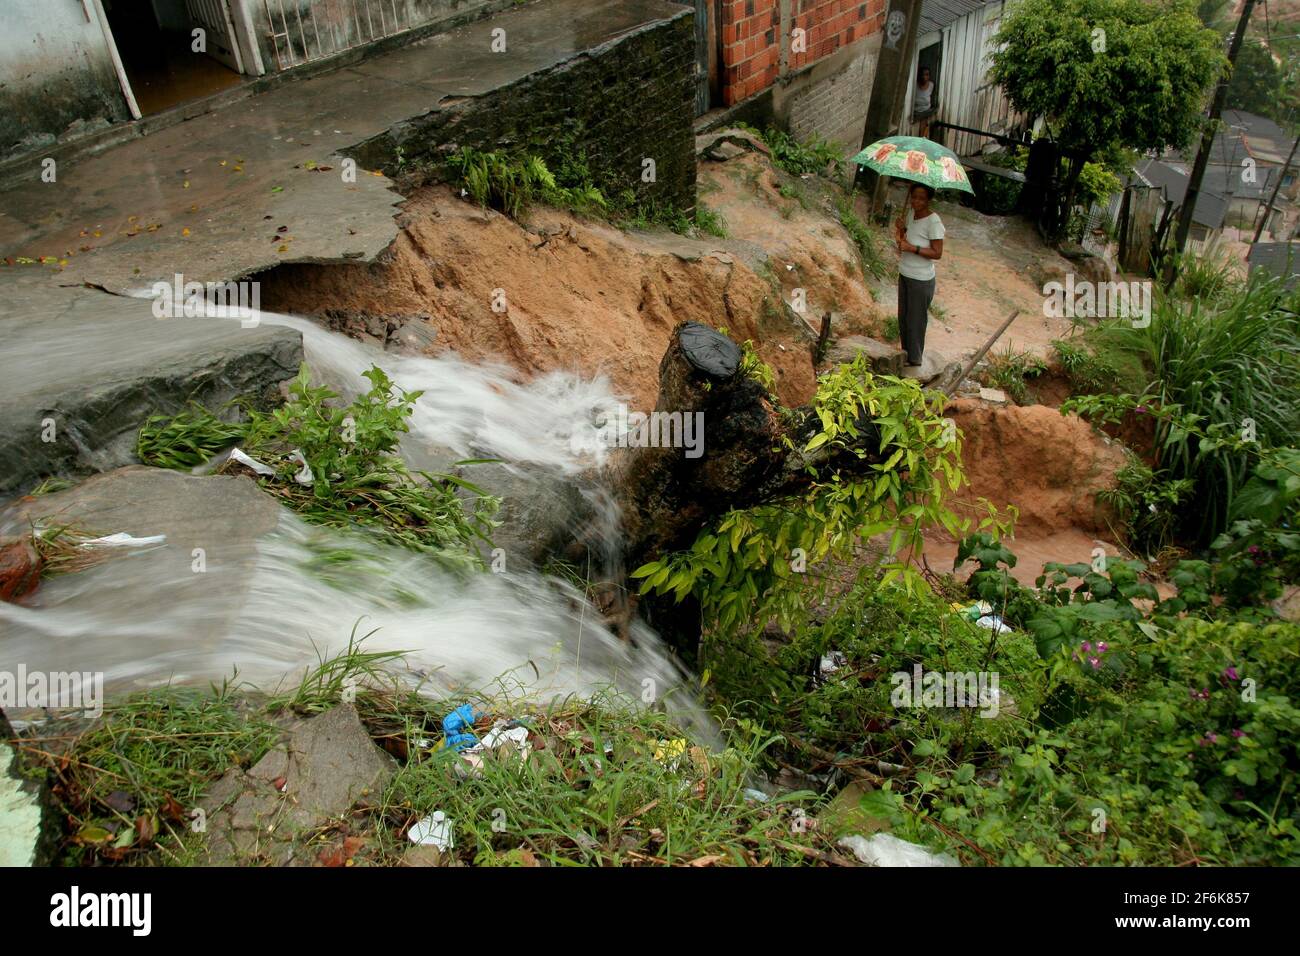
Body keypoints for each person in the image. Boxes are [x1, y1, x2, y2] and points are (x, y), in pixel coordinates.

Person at [894, 183, 944, 368]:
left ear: (929, 200)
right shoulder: (910, 214)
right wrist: (901, 229)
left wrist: (912, 248)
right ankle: (906, 354)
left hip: (921, 279)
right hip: (905, 273)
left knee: (915, 320)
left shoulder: (934, 222)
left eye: (921, 198)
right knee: (904, 317)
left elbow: (937, 253)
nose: (916, 201)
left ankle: (915, 360)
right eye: (914, 197)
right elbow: (903, 241)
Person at [913, 67, 936, 139]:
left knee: (923, 136)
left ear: (929, 76)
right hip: (916, 113)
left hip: (926, 113)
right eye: (922, 74)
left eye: (926, 75)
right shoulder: (915, 85)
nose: (924, 77)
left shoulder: (931, 85)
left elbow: (931, 97)